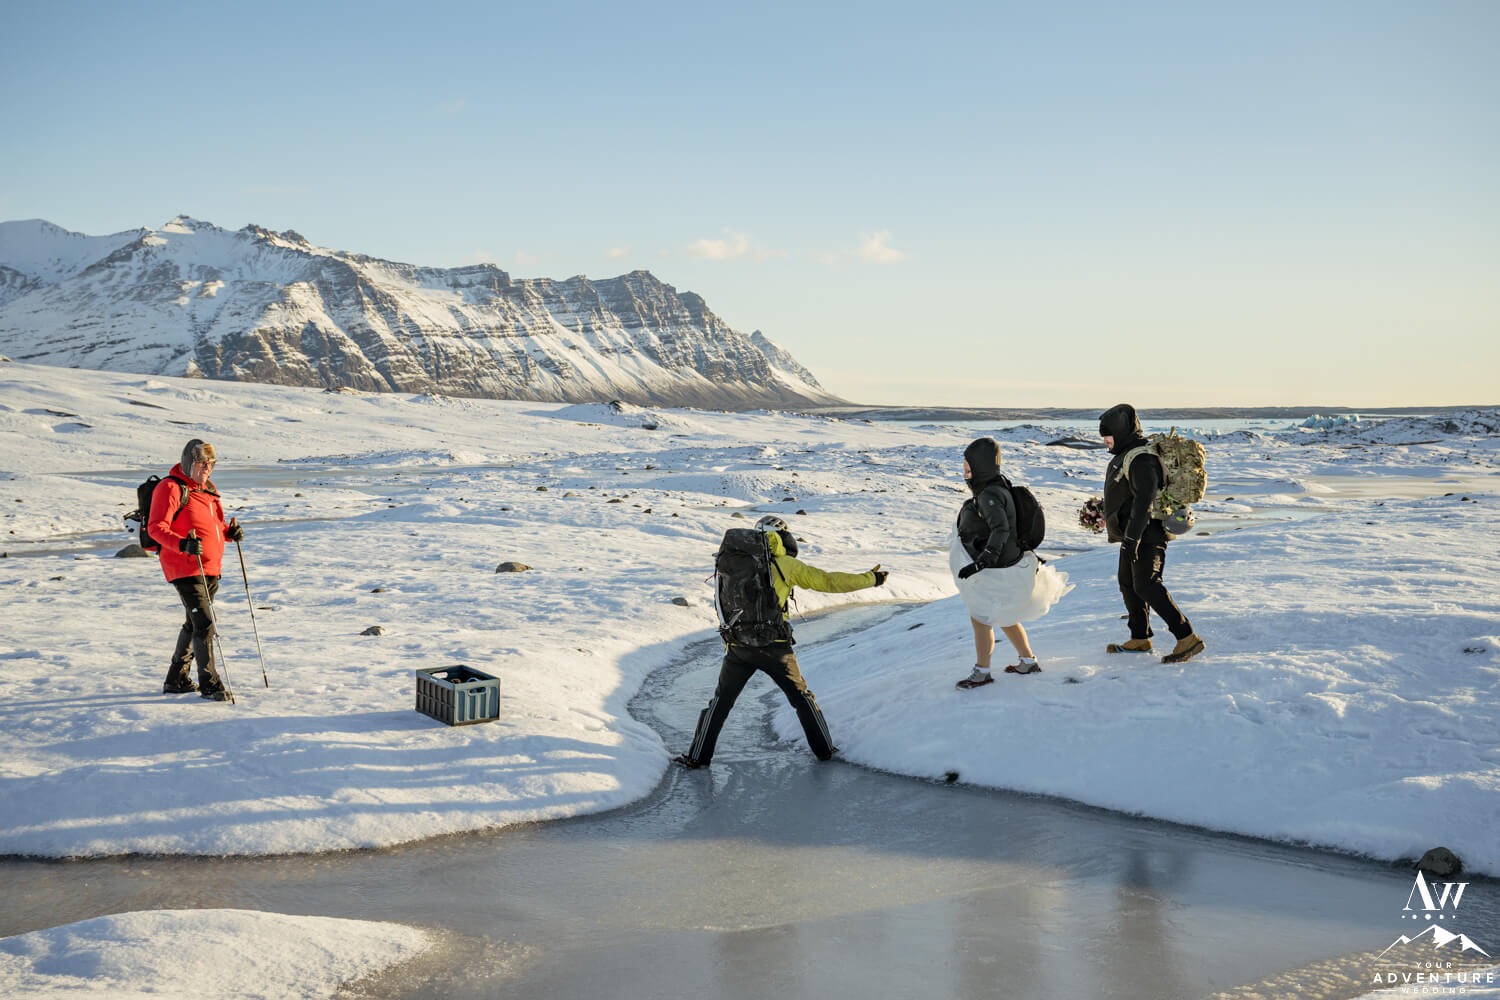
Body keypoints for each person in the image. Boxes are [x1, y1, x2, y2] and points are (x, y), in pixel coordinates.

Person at [674, 515, 887, 768]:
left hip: (739, 645)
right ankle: (824, 750)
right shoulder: (785, 564)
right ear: (783, 537)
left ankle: (696, 757)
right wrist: (870, 579)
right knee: (802, 698)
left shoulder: (732, 561)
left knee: (720, 704)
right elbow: (828, 582)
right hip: (774, 647)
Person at [951, 438, 1072, 689]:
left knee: (981, 619)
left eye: (969, 468)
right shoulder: (998, 486)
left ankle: (982, 672)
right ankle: (1028, 661)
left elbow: (1000, 528)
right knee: (1005, 615)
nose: (965, 473)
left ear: (981, 466)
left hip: (1000, 572)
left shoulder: (990, 494)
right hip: (1010, 567)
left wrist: (984, 559)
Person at [1098, 404, 1205, 663]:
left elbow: (1145, 499)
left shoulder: (1142, 458)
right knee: (1128, 582)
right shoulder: (1127, 454)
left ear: (1120, 432)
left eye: (1108, 436)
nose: (1104, 441)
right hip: (1135, 532)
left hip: (1148, 531)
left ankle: (1187, 637)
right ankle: (1139, 637)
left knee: (1147, 584)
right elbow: (1127, 495)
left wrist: (1132, 538)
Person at [148, 439, 243, 700]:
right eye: (202, 463)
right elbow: (156, 527)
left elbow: (214, 525)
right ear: (189, 462)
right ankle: (210, 684)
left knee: (194, 624)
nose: (207, 468)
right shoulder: (170, 487)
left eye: (211, 463)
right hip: (184, 566)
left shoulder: (208, 489)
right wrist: (182, 544)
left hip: (209, 567)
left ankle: (176, 680)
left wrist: (229, 533)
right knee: (204, 624)